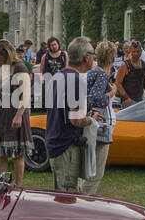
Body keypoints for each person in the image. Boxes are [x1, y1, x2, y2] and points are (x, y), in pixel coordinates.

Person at [45, 37, 95, 193]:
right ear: (86, 56)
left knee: (63, 193)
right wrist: (92, 121)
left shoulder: (59, 75)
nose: (94, 57)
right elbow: (75, 119)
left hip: (56, 140)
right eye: (93, 53)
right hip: (65, 145)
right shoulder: (75, 79)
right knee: (67, 195)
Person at [0, 40, 32, 186]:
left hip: (16, 113)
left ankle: (18, 186)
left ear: (5, 53)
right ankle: (0, 185)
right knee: (1, 154)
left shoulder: (20, 68)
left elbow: (25, 94)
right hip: (3, 113)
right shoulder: (2, 67)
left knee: (17, 154)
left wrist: (19, 115)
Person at [80, 41, 117, 195]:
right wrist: (111, 93)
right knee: (96, 171)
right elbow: (94, 98)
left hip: (90, 124)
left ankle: (81, 196)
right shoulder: (102, 75)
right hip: (99, 126)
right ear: (113, 57)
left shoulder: (92, 73)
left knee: (87, 167)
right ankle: (86, 200)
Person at [115, 40, 145, 106]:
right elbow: (117, 82)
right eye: (133, 51)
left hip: (139, 99)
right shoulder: (125, 65)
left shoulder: (143, 64)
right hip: (128, 100)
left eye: (138, 51)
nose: (136, 54)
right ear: (130, 51)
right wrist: (126, 97)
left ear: (141, 51)